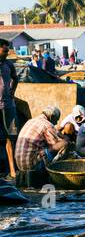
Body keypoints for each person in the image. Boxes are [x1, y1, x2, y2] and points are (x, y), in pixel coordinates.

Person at [14, 105, 68, 187]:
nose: (56, 123)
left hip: (19, 164)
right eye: (56, 120)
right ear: (51, 117)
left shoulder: (31, 121)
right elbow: (57, 144)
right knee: (63, 145)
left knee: (46, 147)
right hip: (31, 164)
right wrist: (66, 140)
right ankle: (56, 175)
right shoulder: (48, 125)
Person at [1, 39, 20, 179]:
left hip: (8, 106)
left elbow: (15, 78)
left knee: (10, 138)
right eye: (4, 51)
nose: (7, 53)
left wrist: (12, 91)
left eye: (7, 51)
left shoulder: (8, 64)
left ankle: (12, 170)